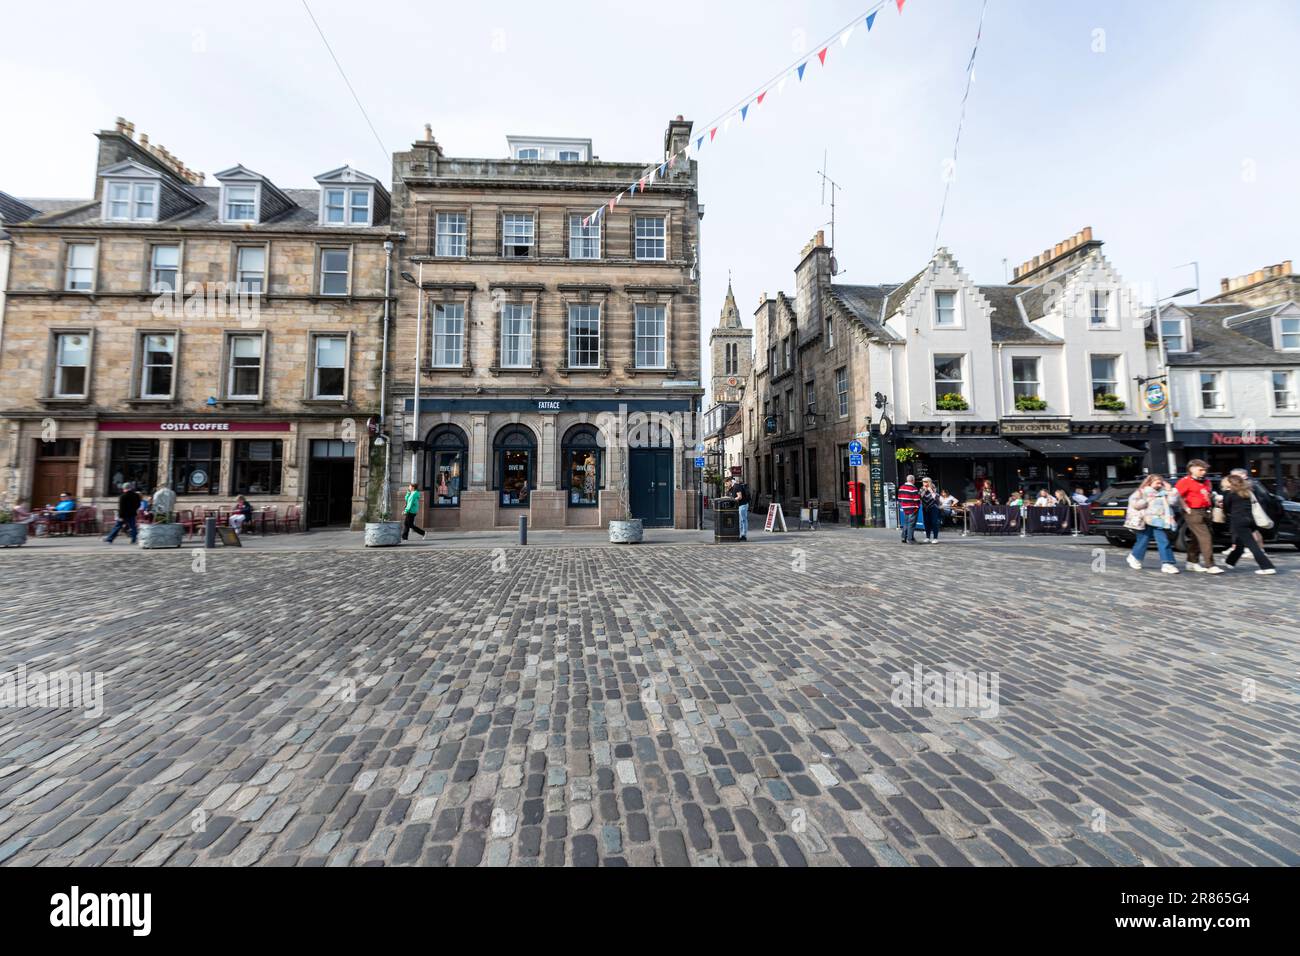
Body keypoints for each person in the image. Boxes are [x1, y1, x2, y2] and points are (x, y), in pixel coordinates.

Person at [1124, 474, 1181, 573]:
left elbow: (1173, 502)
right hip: (1145, 520)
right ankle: (1134, 557)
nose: (1159, 485)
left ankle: (1167, 563)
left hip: (1160, 521)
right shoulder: (1142, 491)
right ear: (1150, 482)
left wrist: (1169, 490)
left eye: (1161, 483)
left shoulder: (1164, 493)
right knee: (1143, 541)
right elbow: (1134, 503)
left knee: (1163, 541)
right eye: (1157, 483)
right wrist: (1146, 500)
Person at [1220, 473, 1276, 575]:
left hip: (1239, 521)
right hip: (1251, 520)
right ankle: (1230, 562)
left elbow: (1227, 509)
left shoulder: (1230, 495)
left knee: (1252, 545)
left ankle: (1267, 566)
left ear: (1230, 484)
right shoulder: (1247, 492)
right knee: (1240, 543)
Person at [1174, 459, 1221, 573]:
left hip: (1206, 511)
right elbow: (1177, 495)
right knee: (1206, 537)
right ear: (1192, 469)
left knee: (1196, 538)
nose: (1203, 472)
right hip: (1193, 511)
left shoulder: (1206, 481)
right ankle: (1210, 565)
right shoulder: (1185, 481)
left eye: (1205, 470)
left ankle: (1192, 562)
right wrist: (1185, 507)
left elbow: (1209, 494)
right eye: (1201, 470)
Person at [897, 474, 921, 544]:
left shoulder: (901, 487)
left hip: (905, 508)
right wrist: (918, 506)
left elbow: (899, 498)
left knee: (906, 523)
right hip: (912, 508)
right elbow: (917, 499)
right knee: (911, 524)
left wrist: (903, 505)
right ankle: (910, 539)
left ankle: (903, 537)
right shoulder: (913, 488)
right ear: (913, 480)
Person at [919, 477, 942, 543]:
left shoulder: (934, 488)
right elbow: (920, 497)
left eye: (925, 482)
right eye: (923, 482)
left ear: (929, 482)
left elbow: (937, 499)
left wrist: (931, 491)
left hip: (933, 507)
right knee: (926, 522)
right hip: (925, 507)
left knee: (934, 522)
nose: (924, 483)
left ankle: (935, 538)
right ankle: (927, 537)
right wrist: (925, 491)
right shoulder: (922, 488)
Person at [730, 475, 751, 541]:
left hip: (743, 505)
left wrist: (732, 500)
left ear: (729, 481)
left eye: (726, 483)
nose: (726, 485)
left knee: (743, 520)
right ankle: (741, 534)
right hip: (740, 506)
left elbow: (740, 497)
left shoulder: (736, 486)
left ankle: (743, 535)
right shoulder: (733, 487)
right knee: (740, 520)